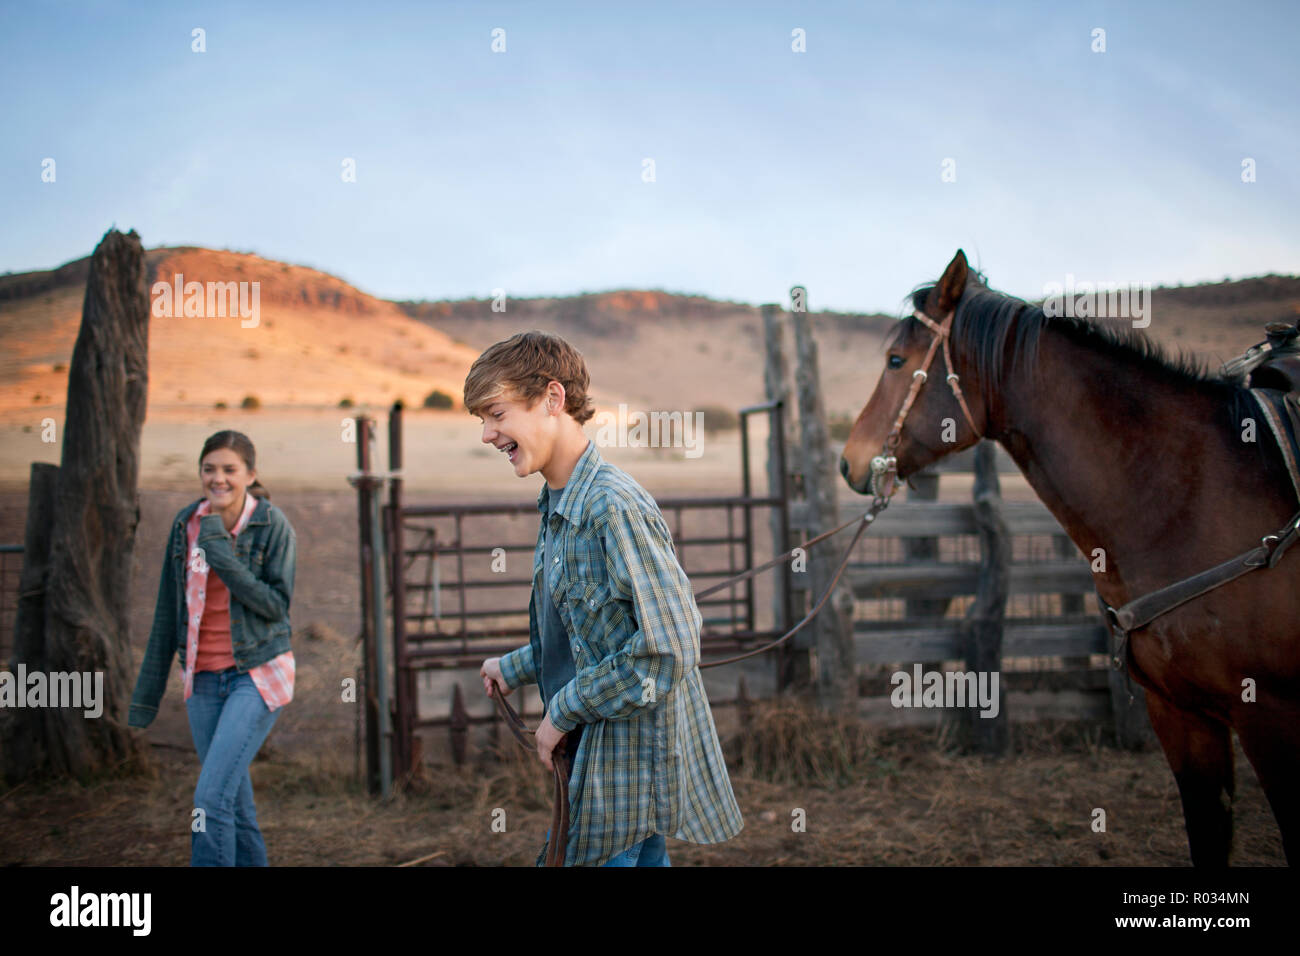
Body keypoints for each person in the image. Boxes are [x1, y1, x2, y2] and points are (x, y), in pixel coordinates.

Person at [468, 331, 743, 866]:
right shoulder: (557, 503)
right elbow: (589, 634)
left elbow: (669, 647)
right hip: (601, 758)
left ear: (552, 398)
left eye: (496, 413)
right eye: (481, 419)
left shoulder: (612, 506)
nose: (486, 434)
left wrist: (563, 710)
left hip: (626, 761)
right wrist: (515, 667)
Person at [128, 430, 297, 866]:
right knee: (233, 804)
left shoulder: (272, 525)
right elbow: (168, 610)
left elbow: (275, 606)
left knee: (208, 800)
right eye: (209, 469)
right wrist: (146, 695)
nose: (218, 478)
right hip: (201, 680)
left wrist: (220, 552)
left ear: (250, 475)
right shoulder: (186, 524)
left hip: (256, 674)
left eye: (229, 470)